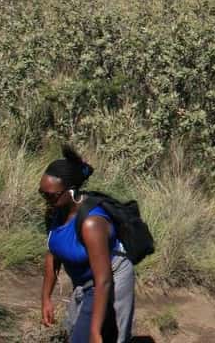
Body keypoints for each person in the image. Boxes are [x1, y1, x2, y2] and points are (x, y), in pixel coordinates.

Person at [39, 146, 135, 343]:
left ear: (71, 191)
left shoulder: (92, 224)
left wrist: (95, 330)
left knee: (97, 336)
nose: (46, 200)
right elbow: (53, 254)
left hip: (110, 279)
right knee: (76, 332)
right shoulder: (55, 213)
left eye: (51, 195)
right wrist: (46, 298)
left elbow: (104, 279)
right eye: (42, 193)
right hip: (84, 283)